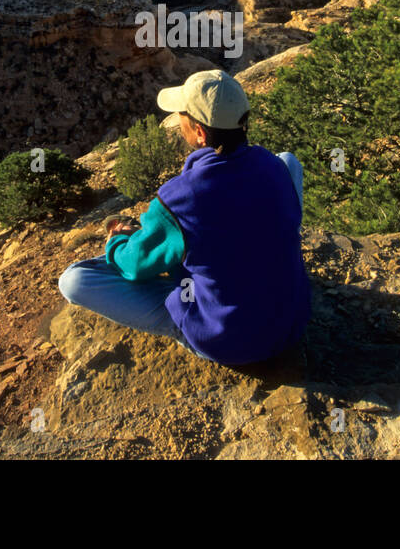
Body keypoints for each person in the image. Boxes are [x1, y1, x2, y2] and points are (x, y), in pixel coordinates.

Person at [57, 69, 309, 366]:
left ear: (200, 133)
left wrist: (118, 242)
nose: (178, 123)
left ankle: (187, 308)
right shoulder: (272, 165)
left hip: (231, 340)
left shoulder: (180, 197)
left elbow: (134, 266)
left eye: (181, 117)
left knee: (73, 281)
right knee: (288, 159)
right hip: (292, 323)